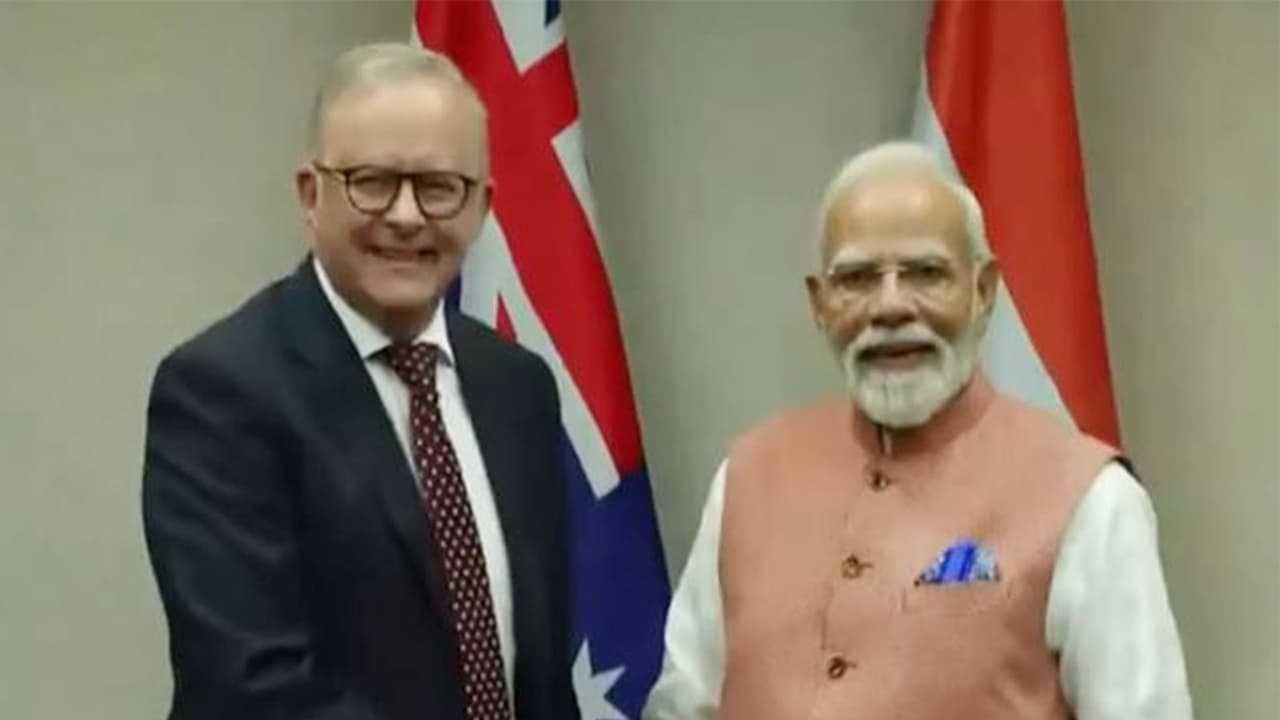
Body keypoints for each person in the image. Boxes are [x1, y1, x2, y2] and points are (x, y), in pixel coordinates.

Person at [643, 141, 1192, 719]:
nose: (890, 307)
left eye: (926, 273)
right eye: (856, 278)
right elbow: (682, 706)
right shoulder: (747, 479)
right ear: (820, 304)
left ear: (983, 291)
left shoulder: (1092, 499)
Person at [142, 43, 578, 720]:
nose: (406, 216)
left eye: (438, 186)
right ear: (311, 195)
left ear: (483, 207)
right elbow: (252, 690)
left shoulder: (518, 388)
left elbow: (541, 675)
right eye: (372, 181)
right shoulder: (219, 393)